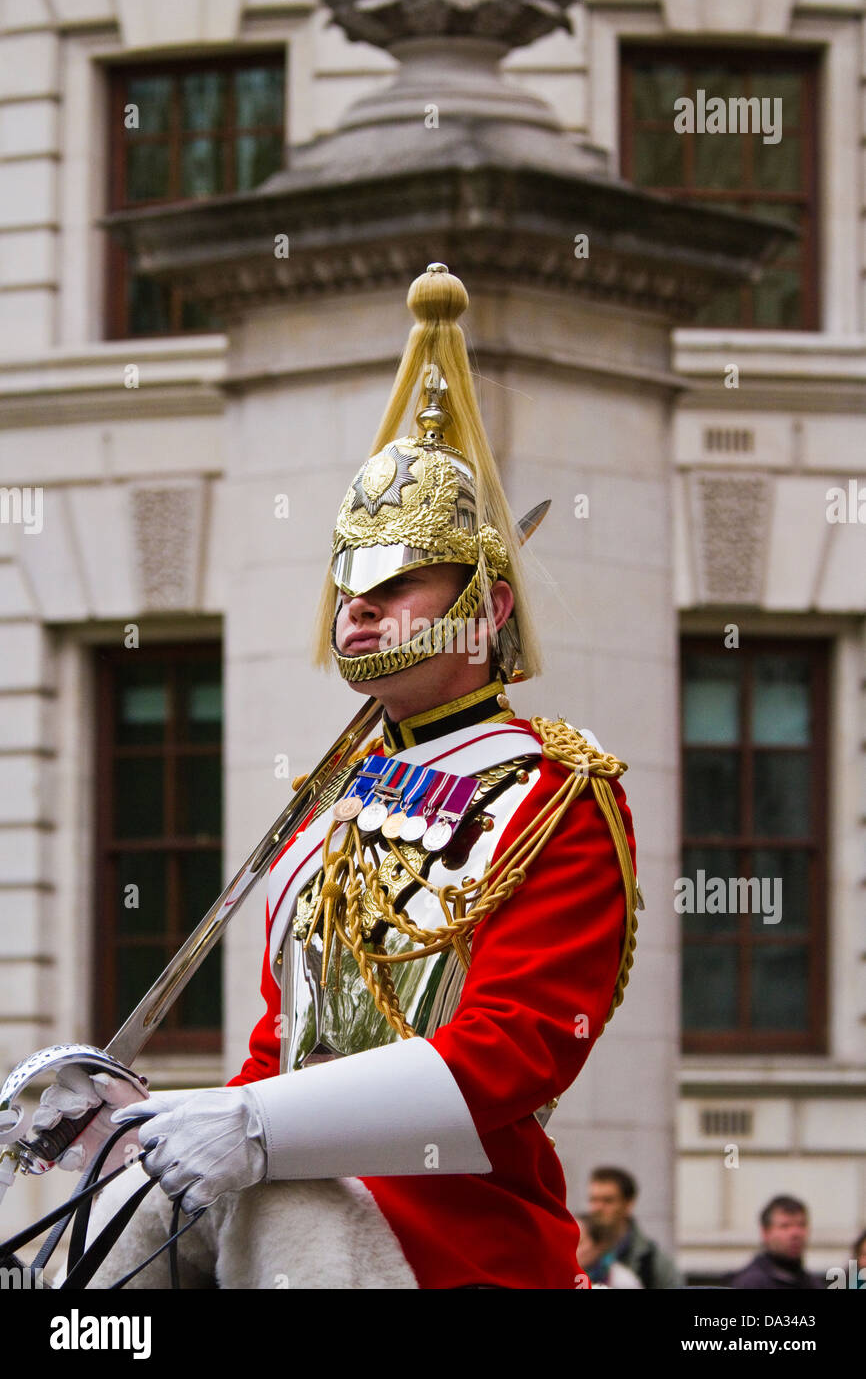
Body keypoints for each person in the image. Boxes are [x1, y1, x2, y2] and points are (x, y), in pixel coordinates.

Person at [35, 263, 640, 1290]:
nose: (357, 608)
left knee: (291, 1217)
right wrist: (151, 1127)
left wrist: (255, 1126)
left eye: (397, 581)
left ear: (487, 611)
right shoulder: (333, 803)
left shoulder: (553, 794)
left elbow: (514, 1049)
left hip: (456, 1221)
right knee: (114, 1234)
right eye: (348, 585)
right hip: (293, 1185)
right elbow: (284, 1042)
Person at [586, 1166, 682, 1289]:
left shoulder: (653, 1263)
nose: (597, 1208)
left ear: (628, 1204)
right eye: (593, 1200)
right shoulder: (575, 1252)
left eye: (607, 1201)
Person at [727, 1195, 825, 1290]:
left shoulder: (811, 1283)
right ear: (765, 1232)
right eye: (785, 1226)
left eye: (801, 1225)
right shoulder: (750, 1283)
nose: (795, 1233)